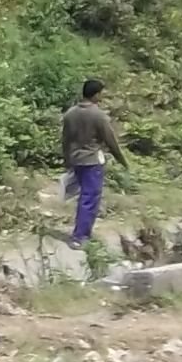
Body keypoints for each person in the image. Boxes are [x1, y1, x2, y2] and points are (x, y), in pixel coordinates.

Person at [60, 78, 126, 247]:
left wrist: (67, 160)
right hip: (92, 161)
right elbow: (110, 140)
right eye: (101, 93)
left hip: (76, 159)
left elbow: (65, 140)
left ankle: (82, 234)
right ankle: (80, 237)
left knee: (83, 197)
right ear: (96, 95)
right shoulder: (98, 115)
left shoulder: (70, 114)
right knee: (89, 199)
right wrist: (122, 160)